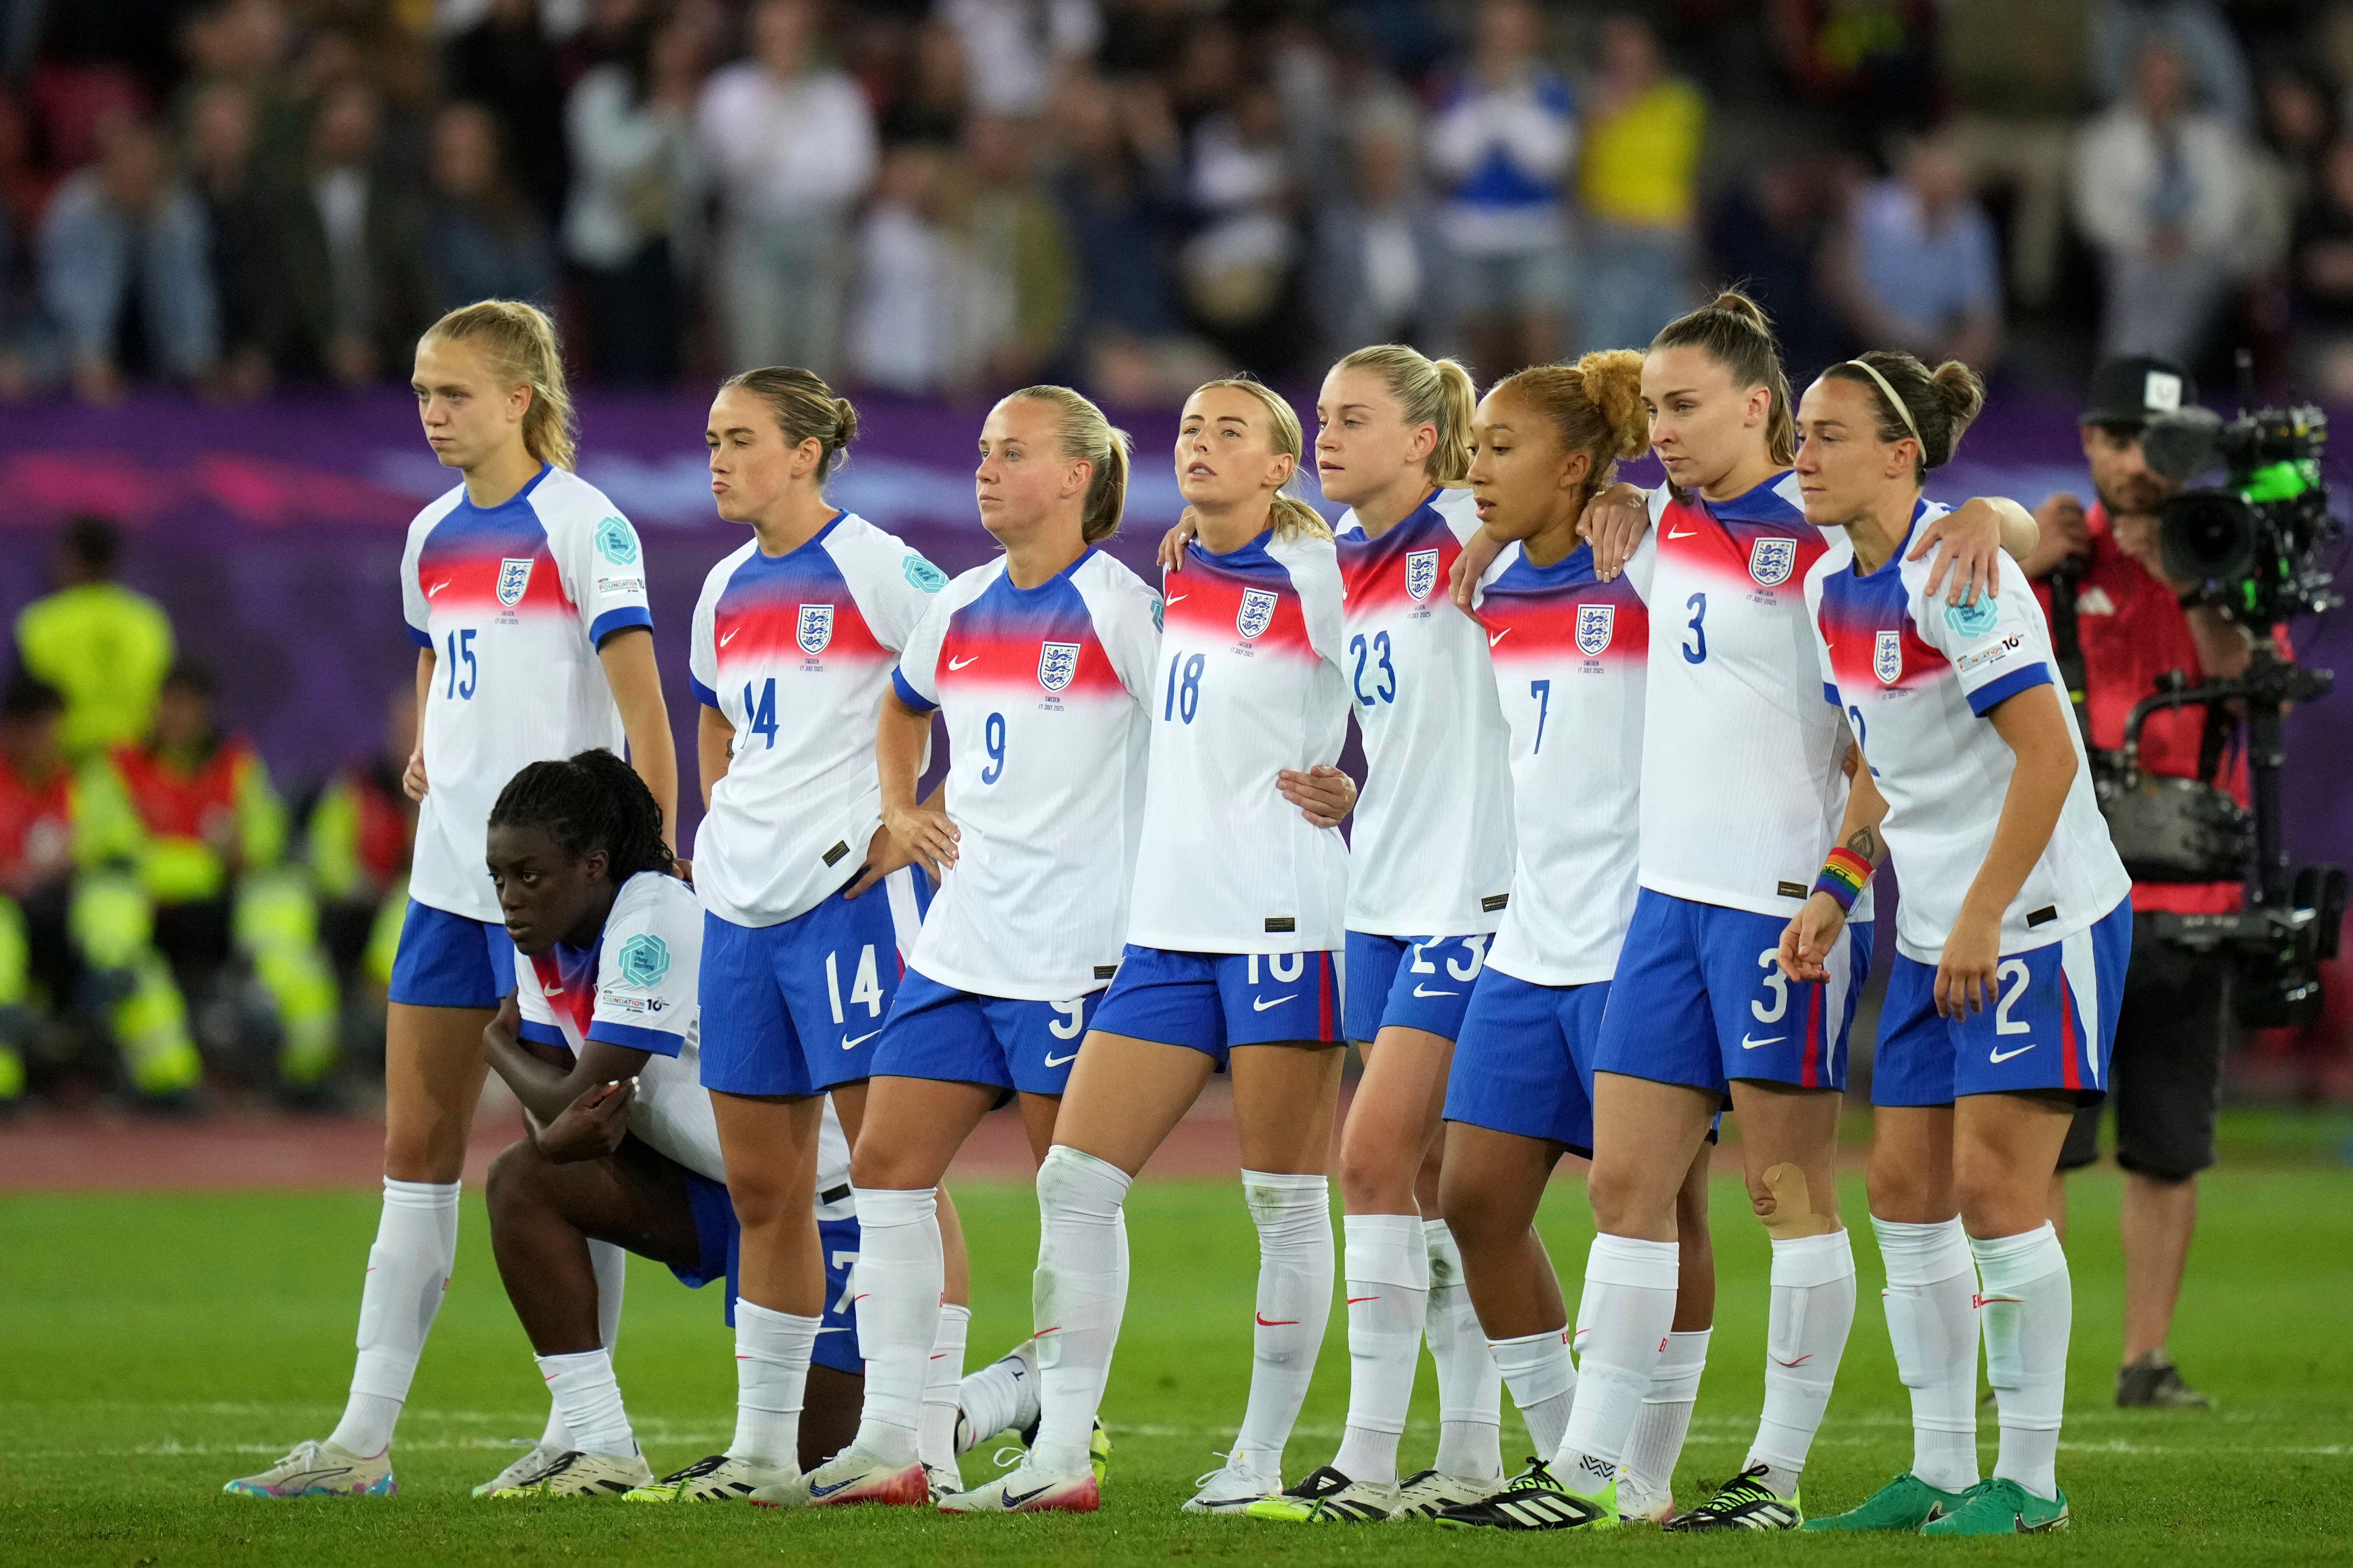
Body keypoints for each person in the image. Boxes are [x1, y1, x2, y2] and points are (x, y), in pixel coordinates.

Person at [1440, 293, 2035, 1533]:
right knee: (1621, 1191)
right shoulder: (1651, 522)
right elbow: (1534, 519)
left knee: (1782, 1195)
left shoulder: (1824, 536)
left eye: (1682, 407)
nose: (1655, 431)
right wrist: (1507, 541)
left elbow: (1889, 737)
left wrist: (1834, 882)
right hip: (1661, 905)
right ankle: (1588, 1473)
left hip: (1777, 909)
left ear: (1756, 407)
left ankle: (1769, 1474)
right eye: (1650, 409)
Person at [226, 299, 676, 1500]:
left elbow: (641, 708)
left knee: (569, 1149)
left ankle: (594, 1429)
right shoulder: (429, 531)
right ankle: (362, 1439)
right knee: (410, 1156)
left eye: (455, 393)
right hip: (446, 891)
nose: (432, 412)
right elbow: (438, 651)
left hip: (560, 908)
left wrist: (650, 859)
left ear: (521, 397)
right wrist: (432, 741)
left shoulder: (587, 525)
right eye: (424, 391)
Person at [941, 378, 1359, 1516]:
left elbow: (1413, 684)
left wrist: (1357, 781)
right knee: (1075, 1180)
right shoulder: (1174, 569)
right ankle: (1060, 1453)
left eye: (1233, 430)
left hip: (1281, 918)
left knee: (1280, 1198)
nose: (1202, 443)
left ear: (1282, 467)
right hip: (1167, 931)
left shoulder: (1317, 573)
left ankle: (1258, 1463)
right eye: (1189, 429)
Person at [1136, 345, 1514, 1526]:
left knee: (1370, 1162)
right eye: (1321, 418)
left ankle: (1365, 1460)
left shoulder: (1474, 525)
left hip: (1478, 895)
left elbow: (1648, 507)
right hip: (1383, 897)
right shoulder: (1338, 561)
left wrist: (1610, 497)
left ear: (1419, 440)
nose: (1329, 434)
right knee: (1432, 1184)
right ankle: (1470, 1456)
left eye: (1352, 419)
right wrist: (1363, 790)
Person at [772, 385, 1157, 1510]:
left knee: (1072, 1189)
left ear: (1077, 477)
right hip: (960, 941)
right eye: (983, 451)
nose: (985, 470)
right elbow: (901, 709)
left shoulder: (1120, 608)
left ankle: (1063, 1451)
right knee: (888, 1165)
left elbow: (1202, 729)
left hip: (1071, 950)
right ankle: (900, 1442)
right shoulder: (963, 603)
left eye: (1012, 453)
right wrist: (902, 811)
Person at [1786, 351, 2129, 1535]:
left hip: (2032, 917)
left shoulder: (1958, 577)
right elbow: (1878, 764)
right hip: (1937, 925)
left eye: (1826, 435)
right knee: (1901, 1191)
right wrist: (1840, 882)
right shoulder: (1833, 578)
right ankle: (1938, 1467)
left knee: (1993, 1194)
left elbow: (2044, 755)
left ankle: (2028, 1484)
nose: (1800, 453)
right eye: (1797, 432)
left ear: (1898, 452)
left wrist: (1983, 910)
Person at [1433, 352, 1720, 1531]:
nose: (1473, 466)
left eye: (1499, 447)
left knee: (1660, 1206)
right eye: (1475, 446)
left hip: (1641, 941)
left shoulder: (1651, 560)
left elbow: (1749, 507)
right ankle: (1566, 1457)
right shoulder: (1490, 588)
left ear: (1574, 466)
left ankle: (1635, 1471)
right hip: (1527, 939)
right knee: (1472, 1200)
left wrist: (1643, 500)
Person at [684, 366, 946, 1502]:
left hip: (843, 904)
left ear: (803, 453)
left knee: (893, 1171)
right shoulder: (722, 584)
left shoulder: (879, 567)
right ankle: (761, 1447)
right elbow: (710, 712)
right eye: (710, 438)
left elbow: (967, 680)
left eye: (740, 439)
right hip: (738, 911)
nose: (718, 458)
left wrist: (909, 821)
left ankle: (913, 1433)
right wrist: (717, 822)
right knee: (762, 1189)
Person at [2020, 354, 2265, 1409]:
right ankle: (2032, 1364)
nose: (2138, 465)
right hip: (2068, 895)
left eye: (2157, 445)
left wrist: (2182, 575)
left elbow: (2258, 684)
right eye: (2120, 440)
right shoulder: (2051, 561)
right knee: (2040, 1146)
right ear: (2088, 443)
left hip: (2192, 901)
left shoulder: (2220, 554)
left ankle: (2142, 1361)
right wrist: (2031, 547)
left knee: (2165, 1151)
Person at [75, 663, 339, 1094]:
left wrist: (237, 854)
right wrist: (203, 862)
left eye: (189, 705)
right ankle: (163, 1071)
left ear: (206, 711)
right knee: (108, 893)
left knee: (281, 891)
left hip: (221, 908)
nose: (178, 716)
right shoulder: (119, 765)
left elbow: (262, 840)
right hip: (149, 908)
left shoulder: (236, 764)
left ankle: (301, 1054)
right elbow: (112, 846)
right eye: (170, 704)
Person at [14, 515, 174, 766]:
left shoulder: (41, 622)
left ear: (70, 558)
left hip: (64, 763)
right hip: (135, 764)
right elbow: (168, 700)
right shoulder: (148, 620)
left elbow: (24, 705)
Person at [0, 675, 76, 1106]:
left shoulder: (72, 783)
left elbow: (87, 847)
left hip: (56, 913)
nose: (53, 742)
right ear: (16, 731)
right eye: (46, 732)